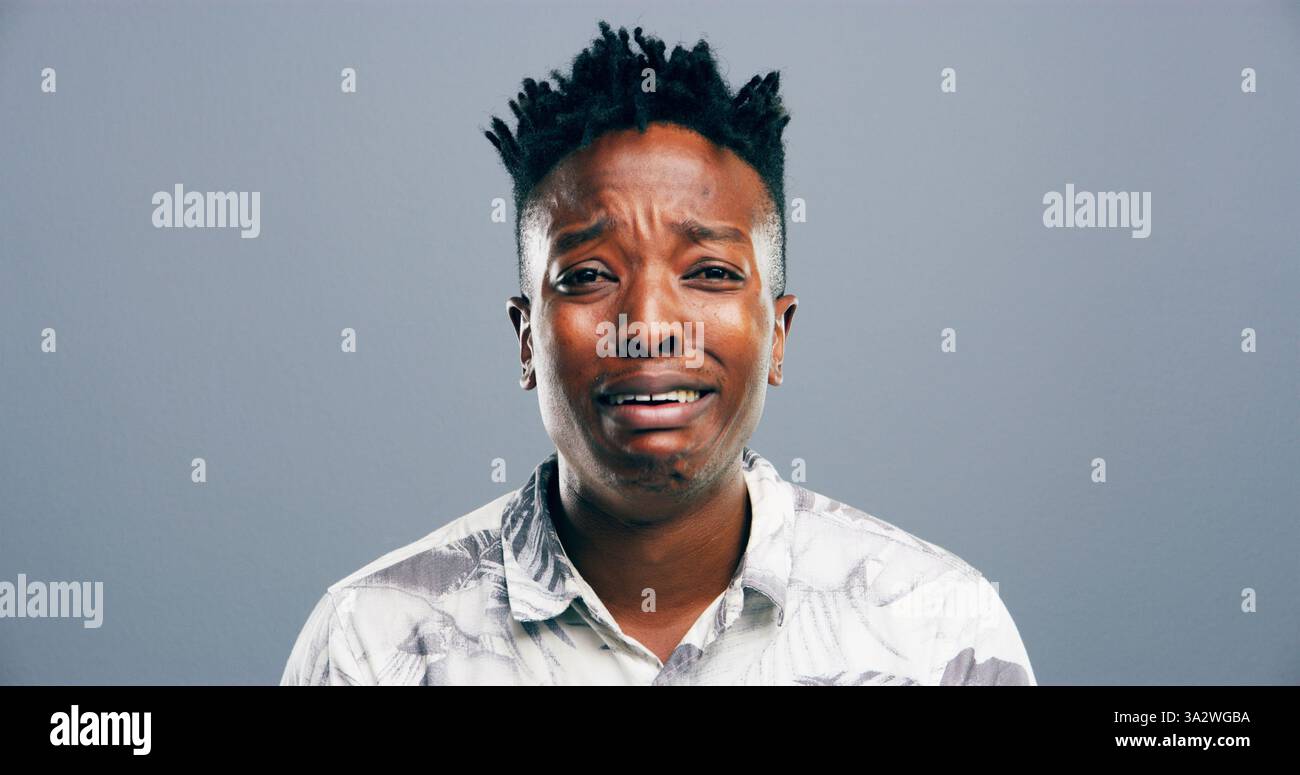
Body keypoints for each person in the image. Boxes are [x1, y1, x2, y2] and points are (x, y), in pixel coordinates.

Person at [281, 20, 1036, 686]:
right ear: (525, 340)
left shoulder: (940, 634)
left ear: (778, 335)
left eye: (709, 273)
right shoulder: (370, 646)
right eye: (588, 276)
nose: (646, 325)